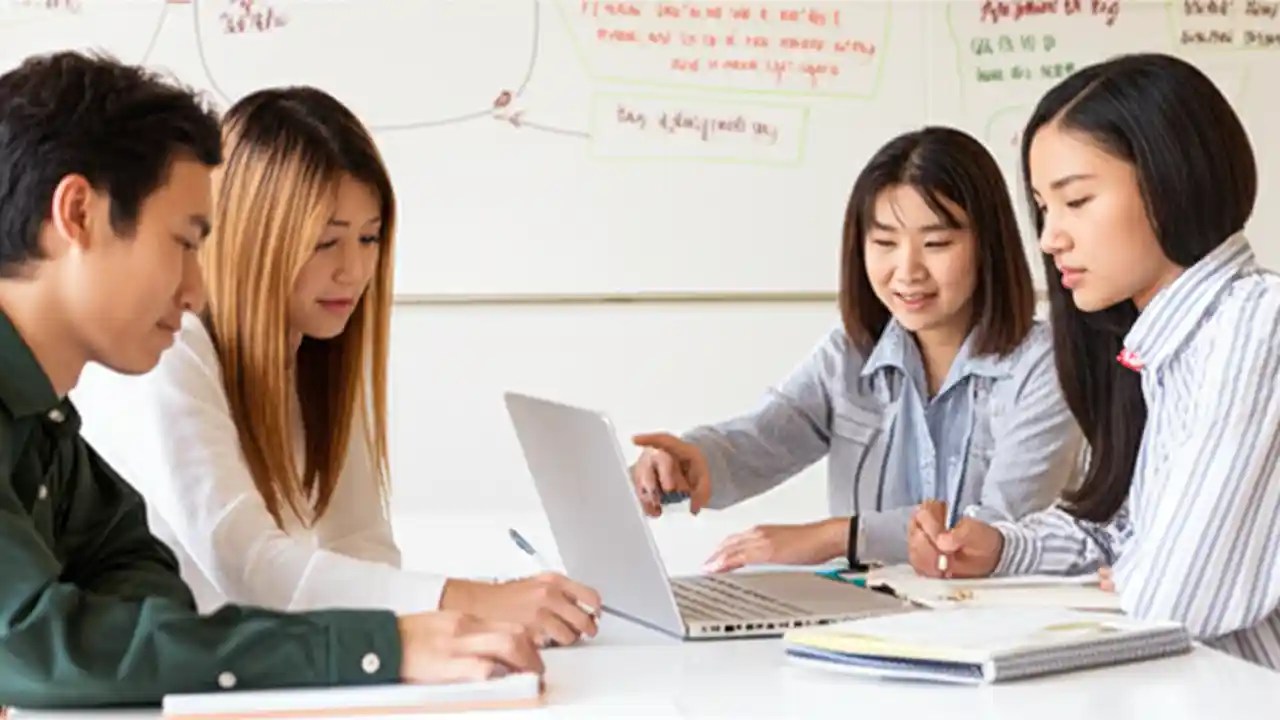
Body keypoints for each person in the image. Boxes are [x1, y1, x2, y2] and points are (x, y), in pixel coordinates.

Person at [0, 51, 540, 709]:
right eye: (183, 242)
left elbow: (137, 580)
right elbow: (40, 644)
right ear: (78, 214)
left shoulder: (42, 420)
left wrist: (140, 643)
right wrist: (379, 646)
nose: (197, 289)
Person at [72, 86, 602, 649]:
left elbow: (362, 547)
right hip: (180, 682)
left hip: (272, 673)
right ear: (255, 239)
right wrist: (472, 600)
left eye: (369, 238)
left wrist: (463, 626)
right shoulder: (168, 355)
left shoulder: (315, 352)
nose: (352, 271)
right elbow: (251, 568)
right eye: (326, 242)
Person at [909, 53, 1280, 670]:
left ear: (1171, 181)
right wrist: (1001, 547)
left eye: (1075, 201)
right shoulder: (1159, 345)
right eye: (1043, 208)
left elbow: (1173, 603)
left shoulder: (1254, 328)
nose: (1050, 237)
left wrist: (1134, 573)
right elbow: (1118, 532)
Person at [630, 127, 1083, 572]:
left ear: (989, 247)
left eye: (936, 244)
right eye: (884, 243)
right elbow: (765, 436)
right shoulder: (851, 354)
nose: (907, 271)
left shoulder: (1047, 365)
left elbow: (995, 528)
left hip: (1003, 626)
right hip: (868, 620)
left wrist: (838, 537)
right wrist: (692, 460)